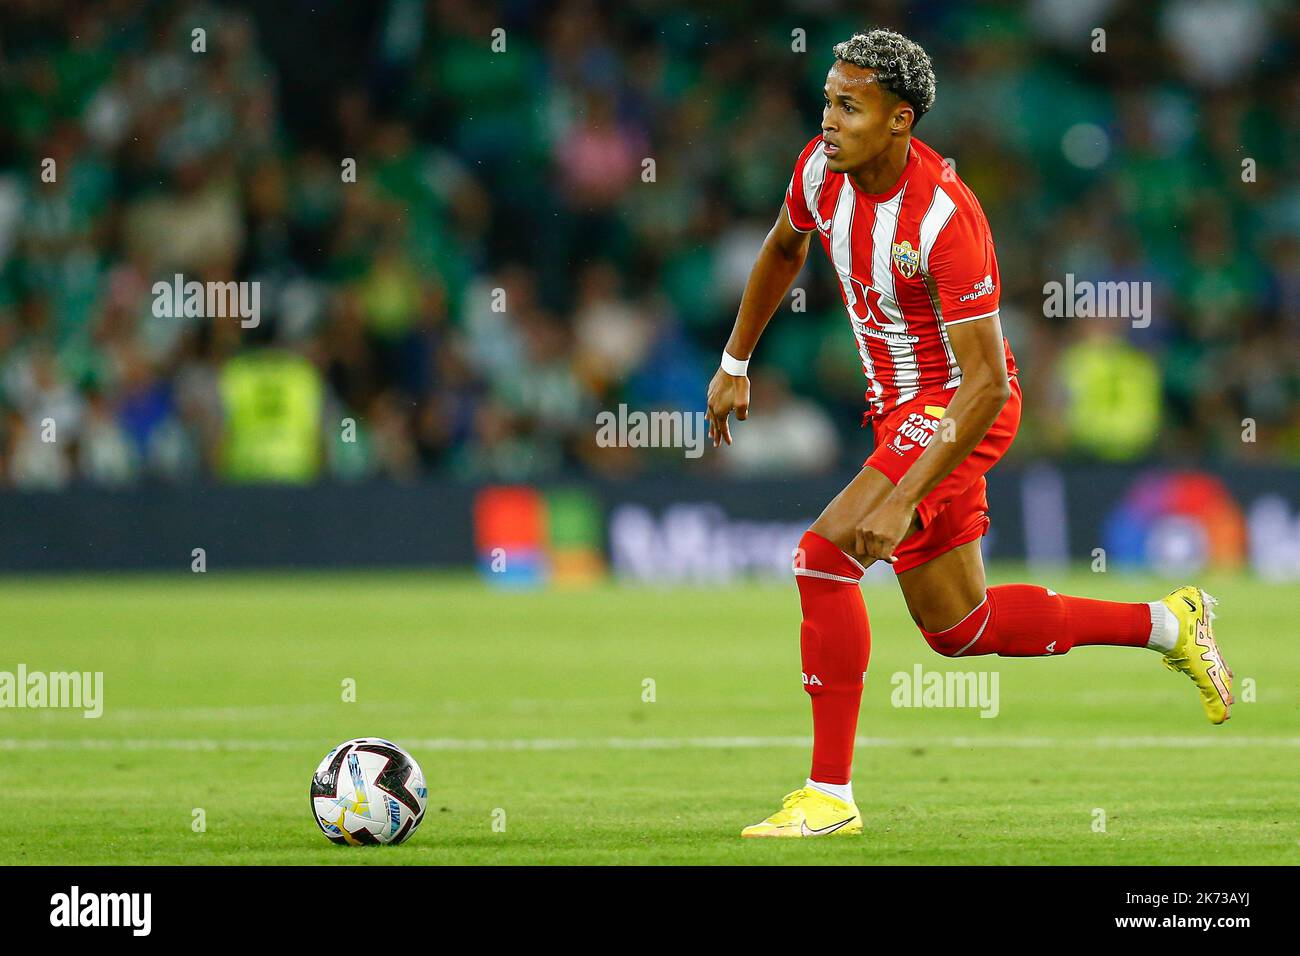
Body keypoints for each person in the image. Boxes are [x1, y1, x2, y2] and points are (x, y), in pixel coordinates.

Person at [704, 29, 1233, 839]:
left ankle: (829, 795)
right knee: (961, 628)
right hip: (898, 415)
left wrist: (905, 494)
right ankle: (1170, 624)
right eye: (827, 102)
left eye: (850, 106)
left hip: (962, 407)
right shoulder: (819, 170)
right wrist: (736, 359)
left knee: (823, 560)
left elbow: (986, 382)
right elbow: (783, 248)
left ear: (900, 121)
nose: (830, 121)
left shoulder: (946, 217)